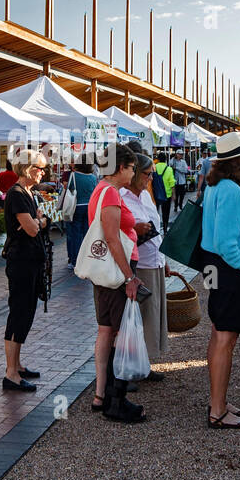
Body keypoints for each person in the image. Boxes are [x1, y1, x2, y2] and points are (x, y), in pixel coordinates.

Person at [200, 132, 240, 429]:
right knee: (225, 339)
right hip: (229, 268)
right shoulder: (231, 190)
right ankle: (218, 411)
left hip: (214, 266)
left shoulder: (214, 186)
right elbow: (227, 241)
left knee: (218, 334)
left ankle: (219, 403)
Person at [87, 143, 146, 423]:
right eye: (132, 168)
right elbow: (112, 238)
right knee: (121, 333)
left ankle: (102, 394)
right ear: (120, 167)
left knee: (107, 330)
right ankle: (116, 400)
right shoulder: (110, 193)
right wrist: (130, 276)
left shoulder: (100, 189)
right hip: (116, 271)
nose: (133, 173)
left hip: (105, 273)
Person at [2, 148, 49, 392]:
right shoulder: (18, 193)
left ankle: (17, 365)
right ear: (28, 169)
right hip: (21, 262)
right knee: (19, 313)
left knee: (26, 313)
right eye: (39, 168)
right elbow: (32, 228)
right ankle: (11, 373)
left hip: (30, 261)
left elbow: (34, 224)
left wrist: (38, 221)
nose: (43, 172)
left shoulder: (28, 193)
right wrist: (40, 221)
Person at [123, 155, 169, 373]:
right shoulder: (123, 196)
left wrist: (164, 259)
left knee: (153, 313)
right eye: (147, 174)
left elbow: (156, 227)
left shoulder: (146, 196)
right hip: (138, 263)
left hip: (154, 261)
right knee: (139, 316)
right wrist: (135, 230)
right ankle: (132, 366)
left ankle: (145, 364)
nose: (151, 178)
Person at [64, 157, 98, 268]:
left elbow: (68, 190)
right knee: (86, 234)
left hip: (75, 207)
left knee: (75, 234)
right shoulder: (93, 177)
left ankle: (75, 261)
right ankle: (86, 259)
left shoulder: (74, 175)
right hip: (89, 207)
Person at [152, 151, 175, 230]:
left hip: (155, 193)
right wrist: (173, 194)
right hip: (166, 194)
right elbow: (172, 183)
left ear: (158, 159)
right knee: (166, 212)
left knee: (155, 212)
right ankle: (165, 228)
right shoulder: (169, 169)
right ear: (166, 160)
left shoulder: (154, 167)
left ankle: (156, 227)